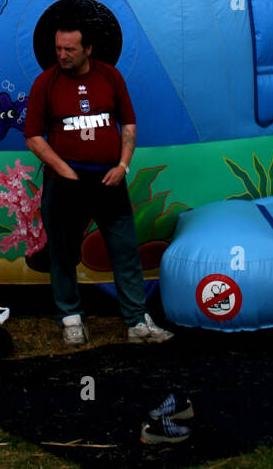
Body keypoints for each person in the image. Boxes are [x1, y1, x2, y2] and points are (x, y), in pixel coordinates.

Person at [24, 21, 173, 347]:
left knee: (124, 250)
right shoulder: (45, 83)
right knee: (62, 253)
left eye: (69, 50)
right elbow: (33, 137)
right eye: (58, 49)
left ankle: (136, 320)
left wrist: (123, 165)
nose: (62, 55)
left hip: (108, 179)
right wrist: (63, 169)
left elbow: (128, 123)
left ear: (87, 49)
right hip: (64, 182)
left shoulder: (110, 76)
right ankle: (71, 318)